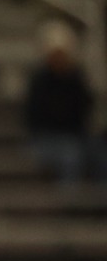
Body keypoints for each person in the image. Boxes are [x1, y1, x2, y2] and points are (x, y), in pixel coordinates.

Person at [24, 22, 98, 190]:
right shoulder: (40, 81)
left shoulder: (76, 78)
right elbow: (35, 117)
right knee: (70, 155)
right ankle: (69, 203)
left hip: (75, 135)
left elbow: (85, 108)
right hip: (47, 137)